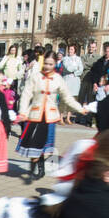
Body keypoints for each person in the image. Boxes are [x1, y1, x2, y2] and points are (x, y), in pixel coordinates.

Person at [17, 49, 85, 177]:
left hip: (50, 116)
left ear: (55, 64)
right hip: (35, 115)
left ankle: (41, 169)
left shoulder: (58, 79)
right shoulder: (35, 77)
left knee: (44, 146)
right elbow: (26, 95)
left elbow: (67, 97)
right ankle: (33, 168)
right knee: (33, 144)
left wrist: (80, 108)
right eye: (46, 64)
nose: (47, 67)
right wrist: (22, 112)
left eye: (51, 64)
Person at [60, 44, 84, 122]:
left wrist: (75, 72)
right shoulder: (65, 58)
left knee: (73, 99)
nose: (70, 51)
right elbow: (68, 68)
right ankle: (61, 117)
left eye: (71, 49)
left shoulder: (78, 59)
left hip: (75, 81)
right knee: (64, 99)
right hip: (67, 80)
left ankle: (68, 117)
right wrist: (75, 67)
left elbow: (81, 69)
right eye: (69, 49)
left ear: (75, 51)